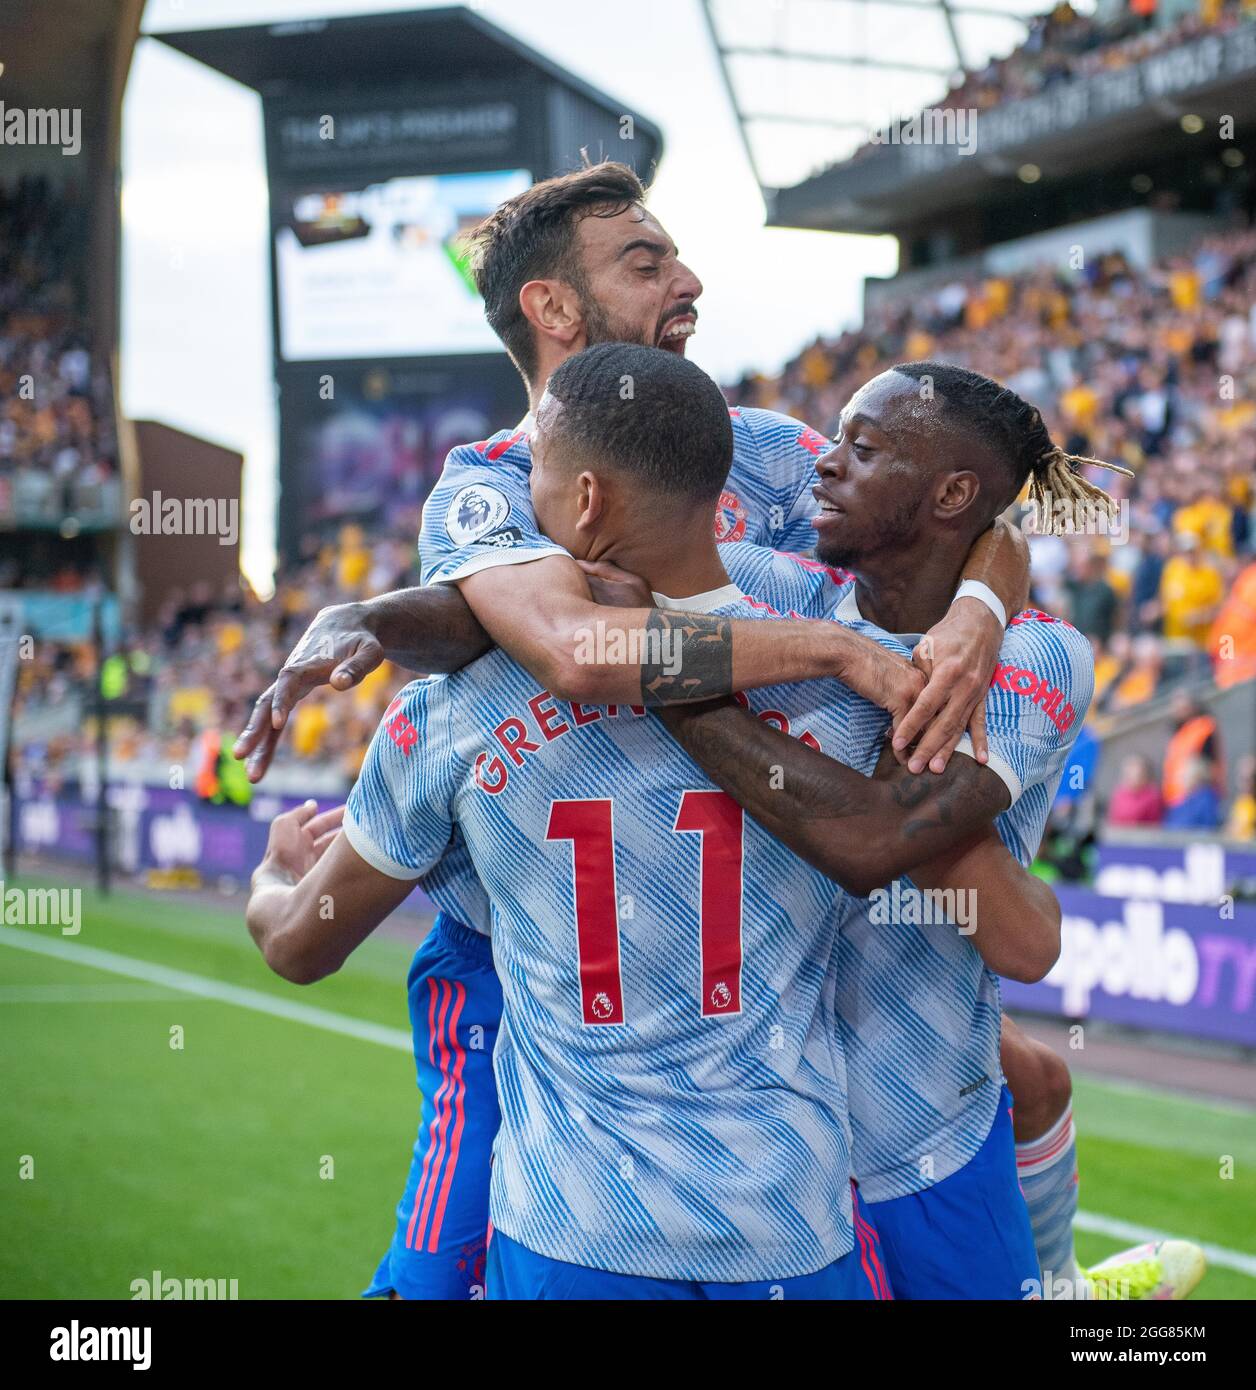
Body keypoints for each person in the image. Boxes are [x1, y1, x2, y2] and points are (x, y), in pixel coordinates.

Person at [234, 162, 1029, 1300]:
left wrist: (977, 605)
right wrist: (841, 650)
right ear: (552, 308)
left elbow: (966, 504)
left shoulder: (743, 438)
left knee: (993, 1089)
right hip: (522, 968)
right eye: (644, 261)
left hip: (716, 981)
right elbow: (576, 653)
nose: (687, 279)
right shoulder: (488, 487)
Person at [649, 362, 1204, 1300]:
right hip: (755, 1138)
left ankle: (1069, 1291)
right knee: (1034, 1071)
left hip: (921, 1140)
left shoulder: (1039, 654)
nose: (822, 467)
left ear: (952, 494)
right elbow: (594, 615)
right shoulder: (765, 585)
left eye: (862, 451)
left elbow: (884, 840)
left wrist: (687, 687)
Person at [1107, 754, 1164, 827]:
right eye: (1127, 772)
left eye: (1135, 771)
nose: (1131, 775)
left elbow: (1153, 824)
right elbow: (1112, 819)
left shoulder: (1152, 796)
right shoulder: (1119, 793)